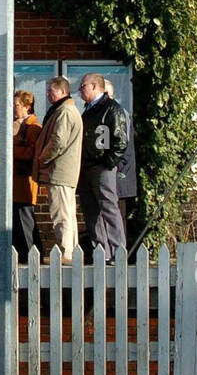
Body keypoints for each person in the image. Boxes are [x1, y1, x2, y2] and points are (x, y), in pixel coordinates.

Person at [78, 72, 129, 263]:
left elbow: (120, 141)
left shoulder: (111, 109)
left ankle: (118, 251)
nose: (80, 91)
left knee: (108, 207)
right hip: (87, 166)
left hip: (101, 167)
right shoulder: (88, 110)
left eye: (83, 86)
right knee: (90, 211)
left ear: (94, 86)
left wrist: (108, 164)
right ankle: (101, 251)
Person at [32, 77, 82, 264]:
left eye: (51, 91)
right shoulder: (67, 110)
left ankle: (66, 253)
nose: (48, 94)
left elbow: (58, 141)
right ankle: (72, 251)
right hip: (64, 170)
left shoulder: (65, 112)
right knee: (67, 213)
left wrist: (42, 158)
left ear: (62, 91)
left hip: (59, 170)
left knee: (61, 214)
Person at [11, 90, 43, 257]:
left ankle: (31, 254)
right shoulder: (18, 124)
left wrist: (9, 148)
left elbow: (30, 152)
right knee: (18, 220)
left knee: (25, 220)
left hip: (25, 181)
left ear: (26, 106)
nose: (13, 108)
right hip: (15, 182)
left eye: (16, 105)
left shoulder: (33, 126)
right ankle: (27, 253)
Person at [105, 79, 138, 220]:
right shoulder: (111, 112)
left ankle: (119, 243)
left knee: (117, 216)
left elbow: (123, 145)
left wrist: (114, 166)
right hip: (117, 172)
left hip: (119, 174)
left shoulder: (118, 113)